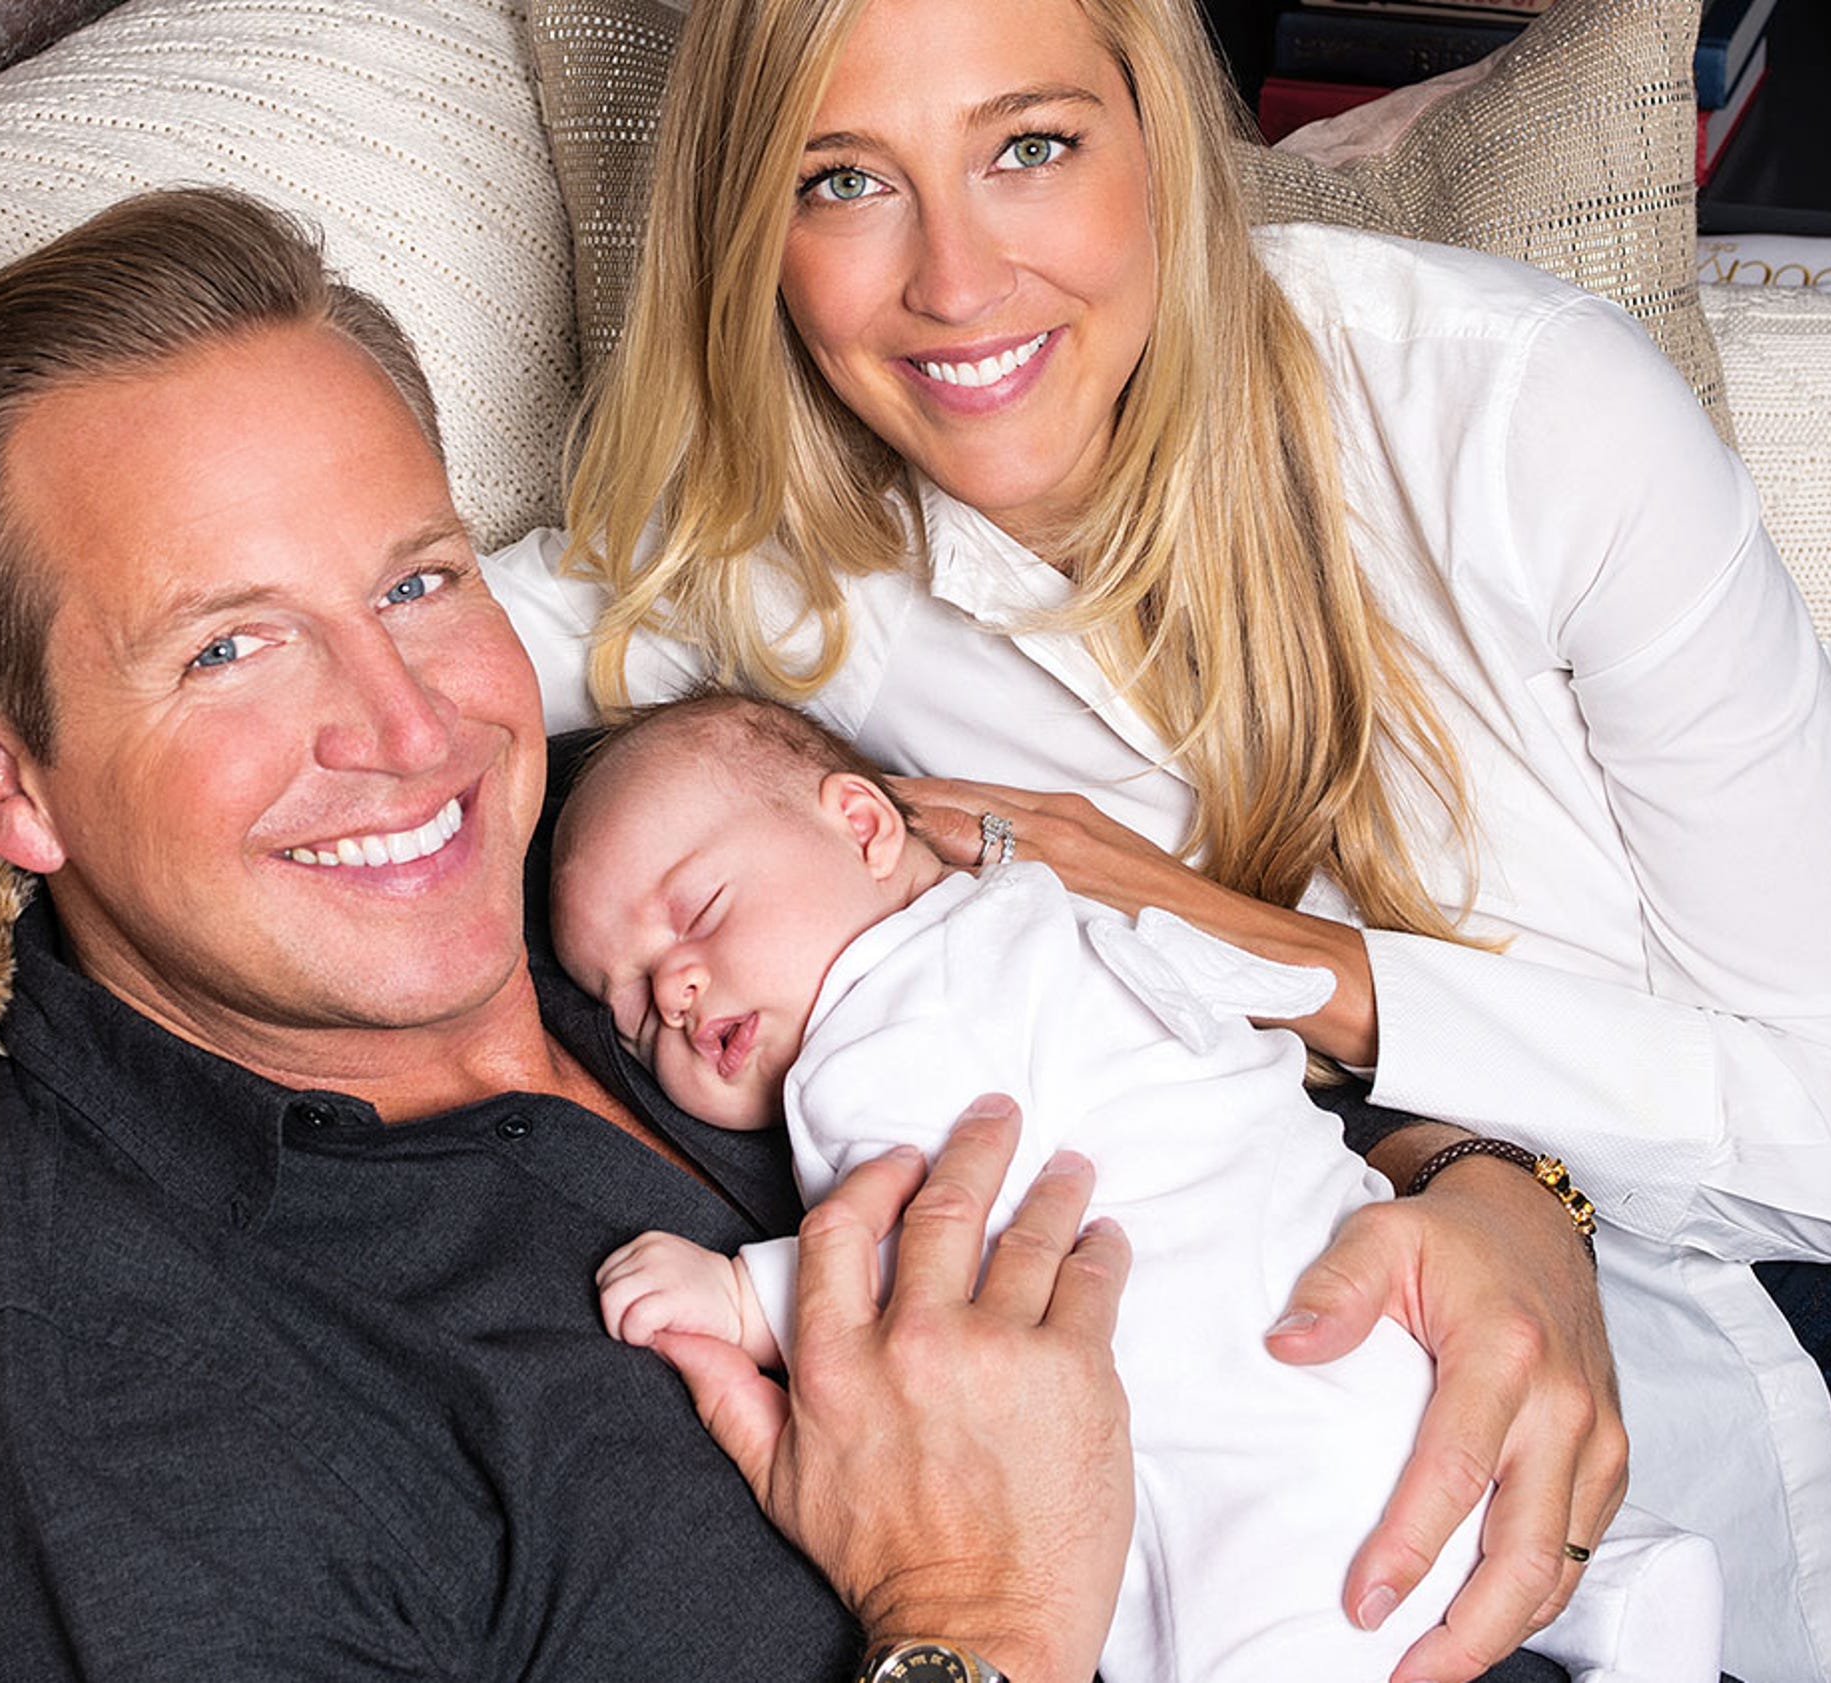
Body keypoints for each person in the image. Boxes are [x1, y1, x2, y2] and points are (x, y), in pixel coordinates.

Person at [0, 0, 1831, 1676]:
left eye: (1033, 146)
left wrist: (1410, 1093)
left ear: (1170, 149)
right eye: (847, 180)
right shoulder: (736, 664)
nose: (953, 291)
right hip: (1609, 1376)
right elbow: (342, 666)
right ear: (756, 234)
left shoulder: (1488, 417)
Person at [0, 187, 1142, 1682]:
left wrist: (1465, 1181)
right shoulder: (145, 1420)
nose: (408, 727)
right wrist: (978, 1623)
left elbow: (1109, 984)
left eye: (416, 580)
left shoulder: (623, 847)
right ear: (1, 780)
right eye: (227, 647)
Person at [553, 693, 1722, 1683]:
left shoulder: (887, 1024)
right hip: (1365, 1309)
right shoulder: (1034, 919)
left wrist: (741, 1295)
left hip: (1252, 1420)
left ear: (862, 826)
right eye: (631, 1002)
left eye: (699, 915)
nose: (680, 993)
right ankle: (1624, 1588)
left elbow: (918, 1262)